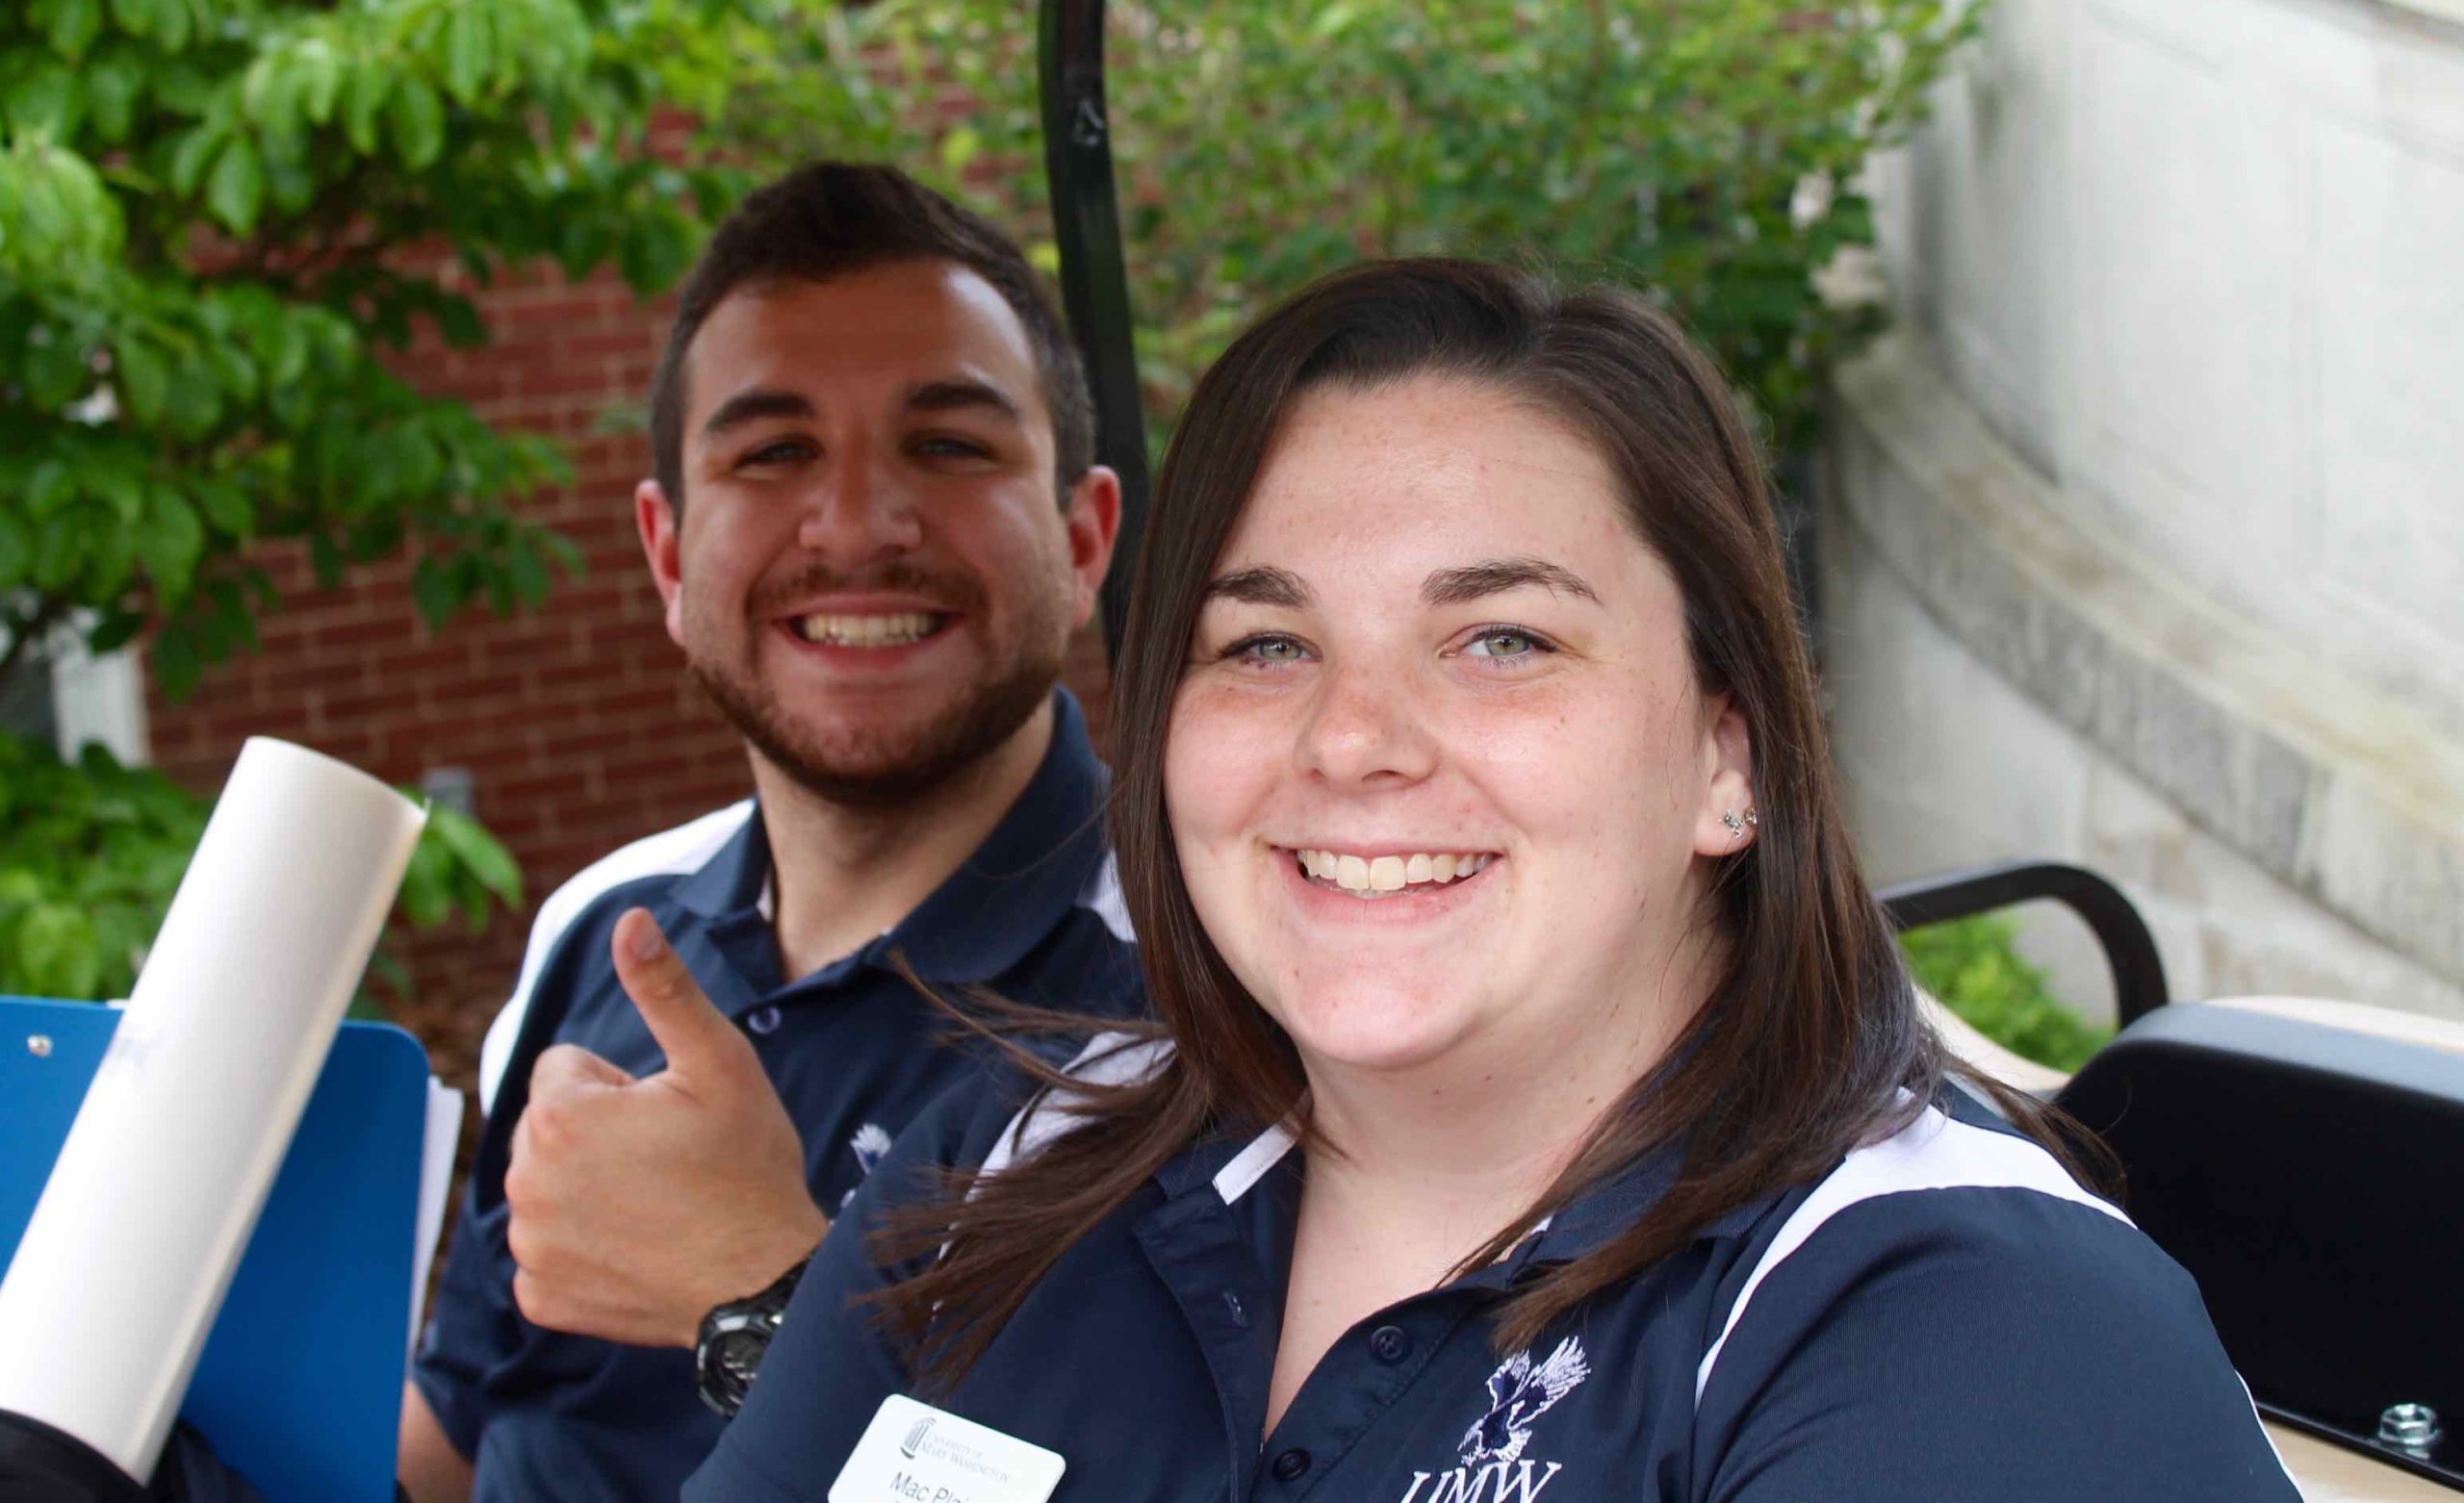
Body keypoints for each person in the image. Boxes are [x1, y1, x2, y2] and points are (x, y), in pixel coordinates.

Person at [687, 260, 2299, 1501]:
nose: (1357, 738)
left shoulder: (1962, 1332)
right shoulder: (1003, 1174)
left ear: (1729, 758)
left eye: (1502, 639)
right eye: (1265, 644)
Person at [398, 163, 1138, 1503]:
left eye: (951, 444)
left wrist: (767, 1297)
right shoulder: (603, 925)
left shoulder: (1217, 994)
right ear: (670, 558)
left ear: (1084, 540)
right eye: (774, 451)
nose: (858, 525)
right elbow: (443, 1444)